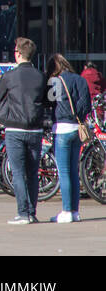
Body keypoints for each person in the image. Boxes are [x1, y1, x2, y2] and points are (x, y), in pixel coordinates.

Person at [0, 37, 47, 225]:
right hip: (35, 129)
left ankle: (22, 213)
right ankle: (32, 212)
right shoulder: (41, 76)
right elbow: (47, 100)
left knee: (17, 172)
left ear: (17, 54)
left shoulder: (9, 76)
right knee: (33, 173)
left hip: (14, 128)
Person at [47, 53, 91, 224]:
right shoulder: (80, 79)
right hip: (78, 129)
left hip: (62, 128)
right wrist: (77, 115)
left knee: (64, 172)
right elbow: (85, 104)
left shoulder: (55, 81)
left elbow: (50, 104)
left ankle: (66, 211)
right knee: (74, 171)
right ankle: (75, 211)